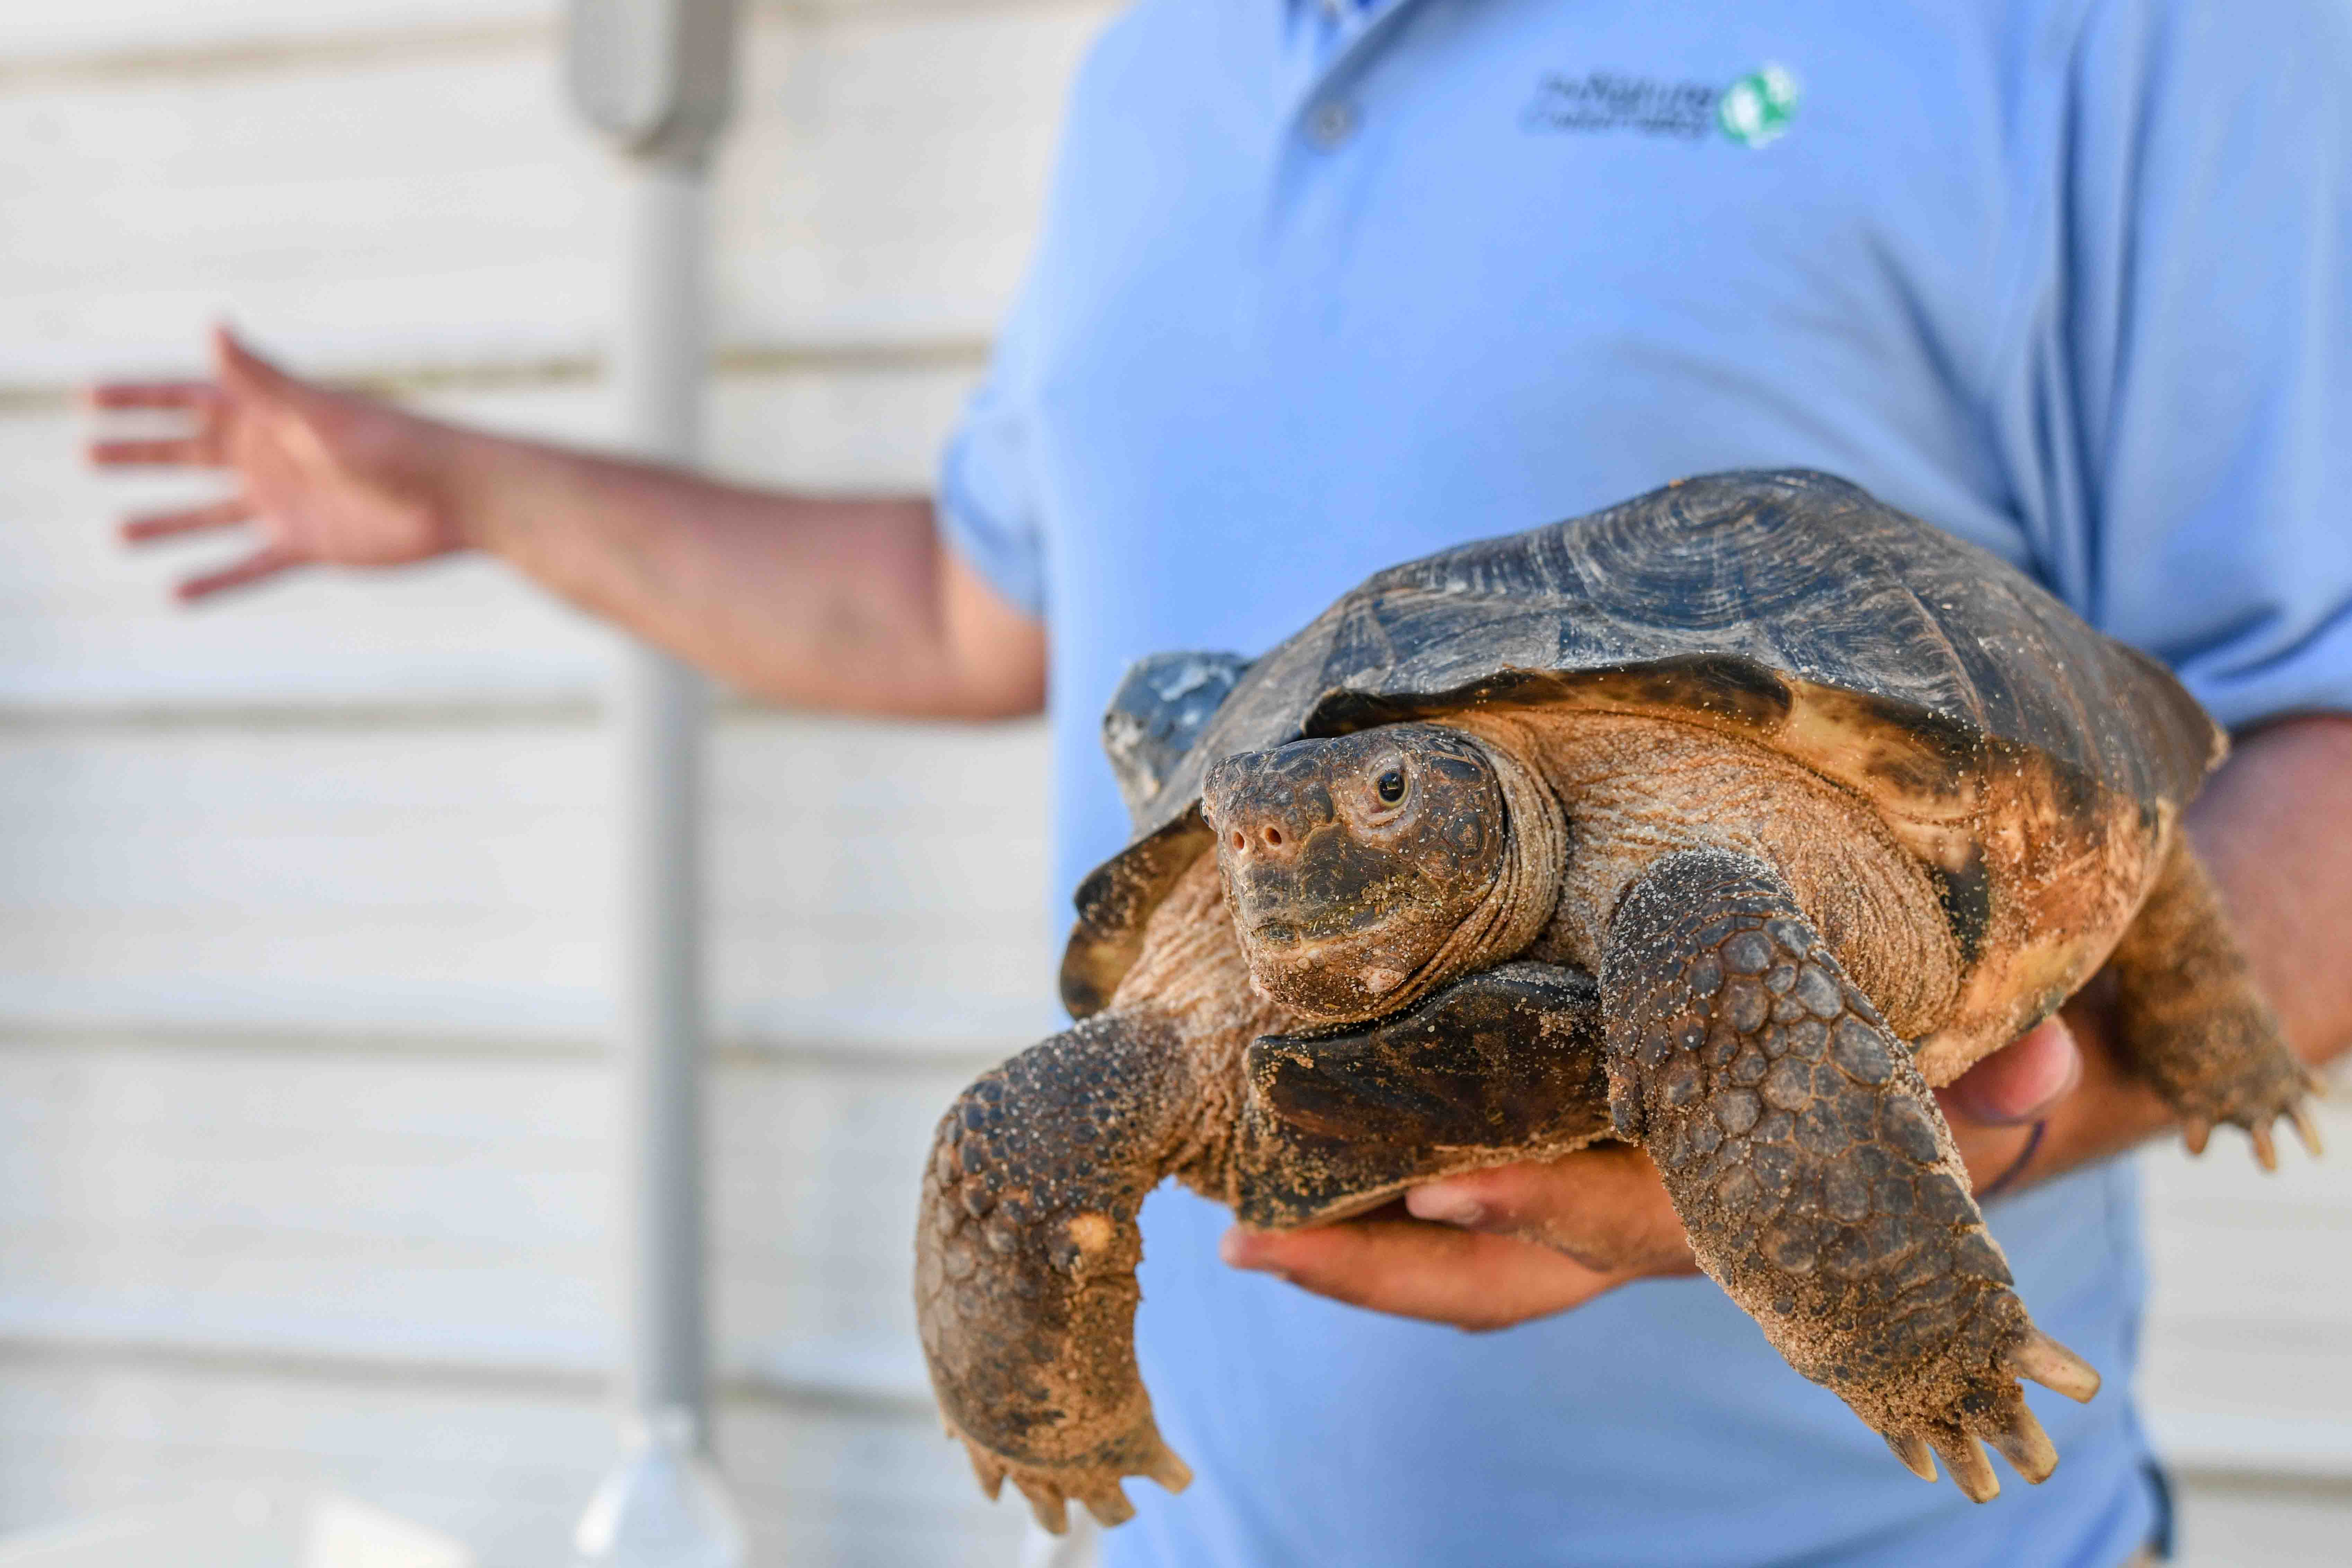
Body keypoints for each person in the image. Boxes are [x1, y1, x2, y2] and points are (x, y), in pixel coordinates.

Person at [87, 0, 2352, 1562]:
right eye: (1268, 829)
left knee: (1700, 945)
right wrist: (469, 486)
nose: (1284, 841)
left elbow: (2313, 719)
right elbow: (954, 610)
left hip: (1854, 1531)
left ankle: (1916, 1346)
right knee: (1035, 1109)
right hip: (1232, 1544)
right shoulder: (1160, 70)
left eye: (1355, 812)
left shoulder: (2118, 32)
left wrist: (1932, 1145)